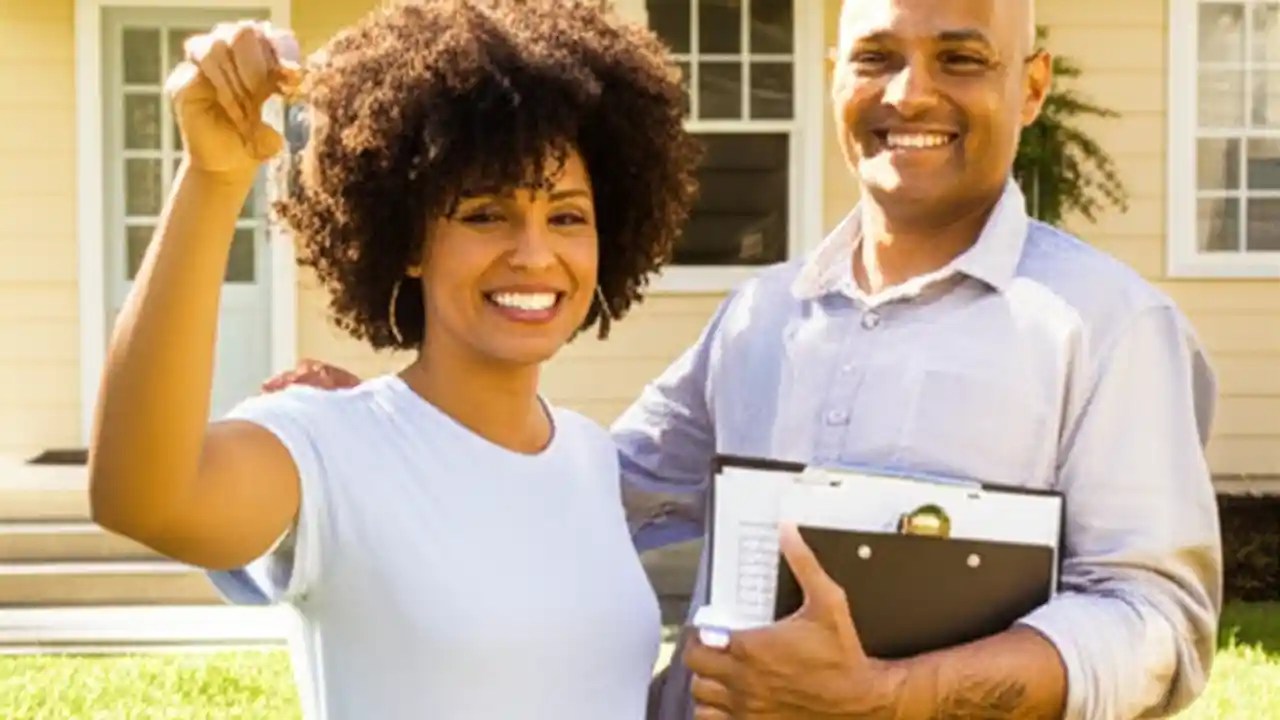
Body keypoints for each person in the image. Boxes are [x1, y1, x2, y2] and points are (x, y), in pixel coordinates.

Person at [274, 0, 1223, 718]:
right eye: (876, 57)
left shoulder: (1109, 327)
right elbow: (586, 489)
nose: (909, 94)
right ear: (833, 76)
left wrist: (887, 697)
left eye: (961, 59)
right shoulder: (762, 317)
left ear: (1032, 85)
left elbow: (1157, 623)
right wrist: (394, 434)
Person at [85, 1, 700, 718]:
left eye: (566, 216)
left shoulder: (591, 458)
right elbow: (144, 499)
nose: (535, 254)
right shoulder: (329, 445)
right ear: (409, 242)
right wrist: (213, 179)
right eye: (484, 214)